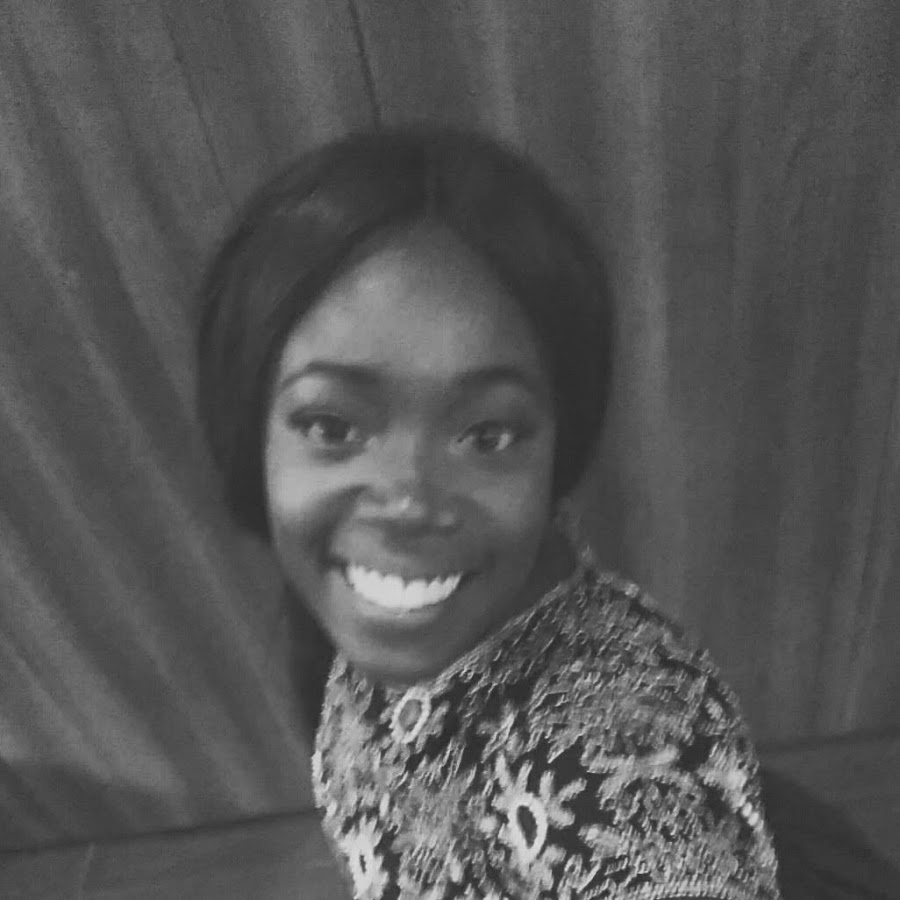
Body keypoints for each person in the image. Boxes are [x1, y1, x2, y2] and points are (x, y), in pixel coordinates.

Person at [195, 128, 782, 900]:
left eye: (486, 435)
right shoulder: (380, 623)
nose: (408, 502)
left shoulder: (619, 777)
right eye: (333, 426)